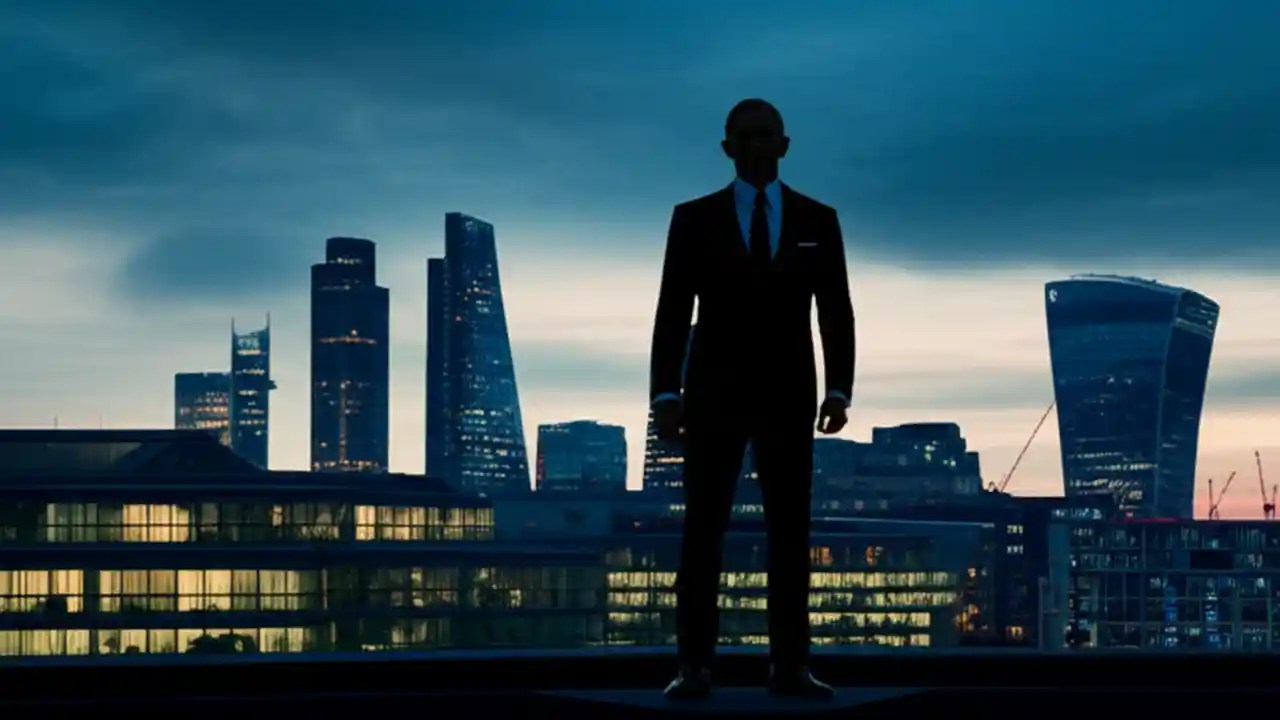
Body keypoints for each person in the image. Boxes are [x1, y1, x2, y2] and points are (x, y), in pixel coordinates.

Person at [649, 98, 855, 700]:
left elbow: (835, 309)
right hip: (712, 395)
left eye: (767, 136)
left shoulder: (820, 220)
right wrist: (666, 394)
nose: (759, 145)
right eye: (747, 136)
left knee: (791, 535)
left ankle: (790, 668)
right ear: (728, 147)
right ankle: (693, 667)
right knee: (701, 533)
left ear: (785, 145)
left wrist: (840, 389)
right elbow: (671, 311)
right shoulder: (693, 219)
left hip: (790, 396)